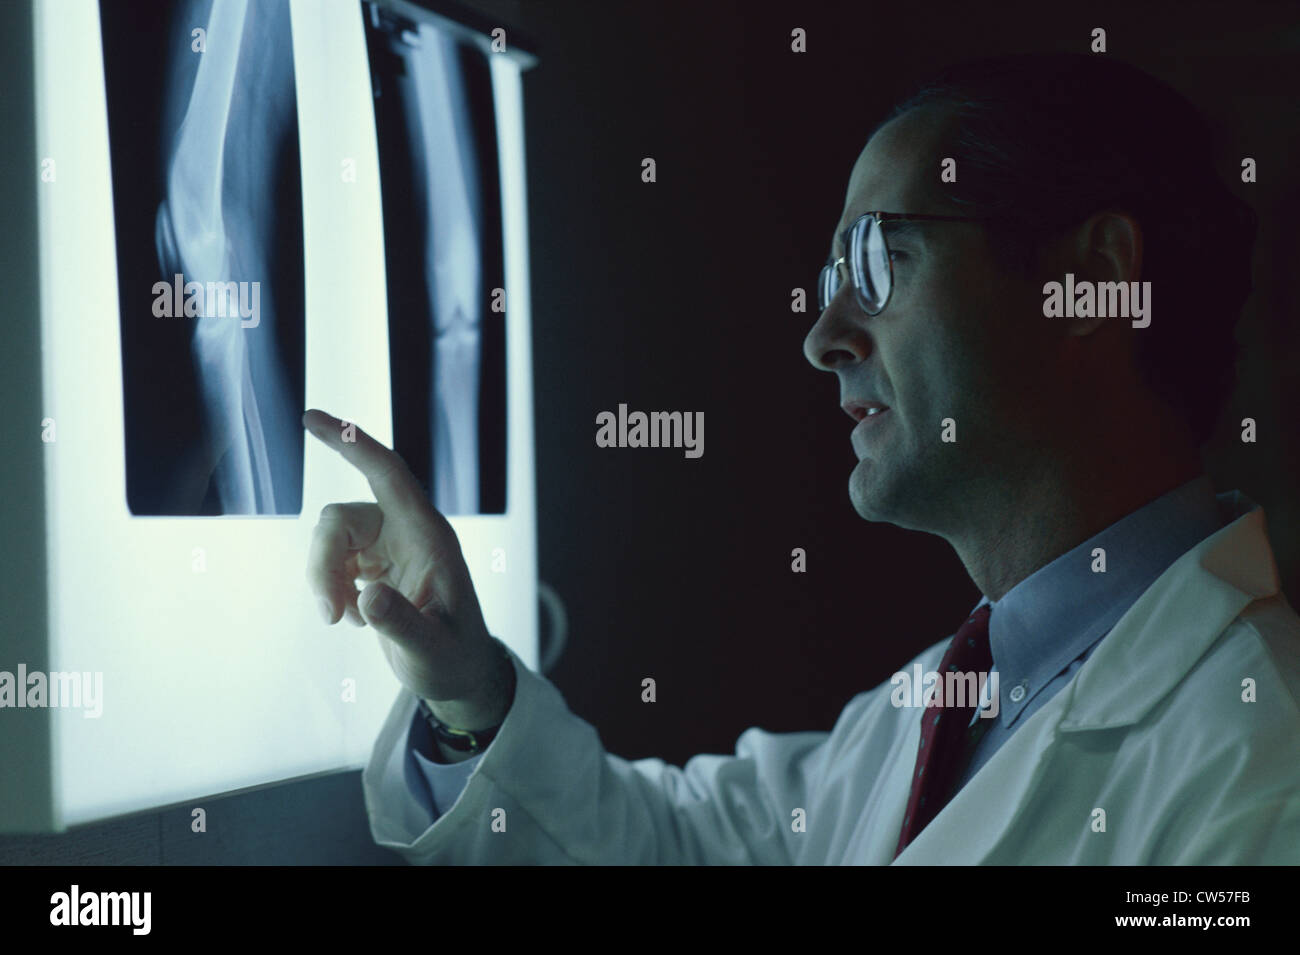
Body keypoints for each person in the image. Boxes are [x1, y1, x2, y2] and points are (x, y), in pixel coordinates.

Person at [304, 53, 1300, 864]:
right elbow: (676, 849)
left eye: (877, 262)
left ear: (1089, 282)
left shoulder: (1261, 771)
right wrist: (466, 687)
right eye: (830, 278)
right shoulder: (939, 709)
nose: (822, 335)